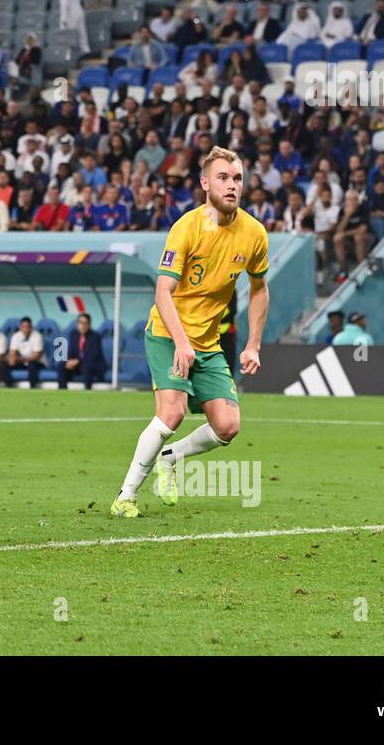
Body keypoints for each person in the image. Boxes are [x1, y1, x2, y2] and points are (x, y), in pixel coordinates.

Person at [111, 147, 269, 518]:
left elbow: (260, 287)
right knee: (173, 413)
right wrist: (181, 343)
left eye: (238, 179)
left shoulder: (254, 233)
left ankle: (172, 456)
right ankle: (126, 495)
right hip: (168, 333)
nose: (232, 186)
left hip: (207, 341)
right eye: (223, 178)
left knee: (228, 426)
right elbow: (162, 291)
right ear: (205, 184)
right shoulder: (187, 227)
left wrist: (253, 344)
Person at [58, 312, 106, 389]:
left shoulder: (95, 336)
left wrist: (78, 361)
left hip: (92, 364)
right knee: (61, 366)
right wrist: (69, 361)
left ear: (89, 324)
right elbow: (71, 351)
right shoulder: (74, 334)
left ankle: (87, 391)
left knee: (86, 367)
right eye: (80, 322)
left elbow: (93, 355)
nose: (82, 325)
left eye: (85, 323)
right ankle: (62, 391)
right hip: (78, 364)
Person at [6, 317, 44, 388]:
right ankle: (9, 387)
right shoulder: (16, 336)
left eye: (27, 327)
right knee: (4, 365)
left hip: (37, 362)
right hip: (22, 362)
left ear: (31, 327)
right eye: (23, 327)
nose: (25, 329)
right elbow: (12, 352)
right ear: (20, 327)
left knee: (31, 364)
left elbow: (36, 356)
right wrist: (12, 359)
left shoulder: (37, 336)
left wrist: (19, 359)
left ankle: (33, 387)